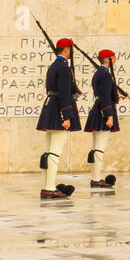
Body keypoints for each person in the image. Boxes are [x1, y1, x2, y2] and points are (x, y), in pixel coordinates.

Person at [36, 38, 80, 199]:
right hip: (59, 110)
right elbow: (63, 93)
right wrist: (67, 116)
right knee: (55, 152)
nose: (72, 53)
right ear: (66, 50)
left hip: (50, 107)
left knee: (49, 152)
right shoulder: (63, 68)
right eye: (71, 50)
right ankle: (49, 187)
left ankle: (46, 186)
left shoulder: (54, 66)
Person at [85, 49, 127, 189]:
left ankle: (95, 178)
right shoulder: (105, 75)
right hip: (103, 112)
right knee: (99, 148)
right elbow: (104, 97)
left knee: (96, 148)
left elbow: (104, 92)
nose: (115, 60)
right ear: (107, 59)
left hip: (98, 109)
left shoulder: (100, 73)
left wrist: (116, 95)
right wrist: (109, 116)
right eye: (113, 58)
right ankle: (96, 179)